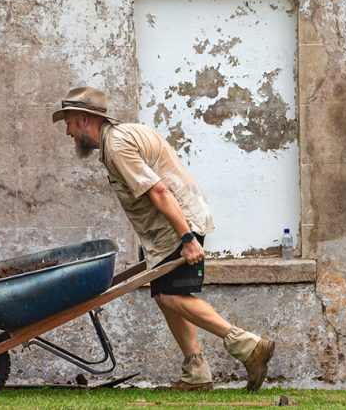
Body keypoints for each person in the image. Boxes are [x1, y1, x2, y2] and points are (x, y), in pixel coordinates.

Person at [52, 86, 275, 391]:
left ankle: (249, 345)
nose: (67, 132)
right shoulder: (123, 135)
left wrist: (187, 238)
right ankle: (196, 372)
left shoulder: (117, 147)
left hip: (176, 226)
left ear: (83, 119)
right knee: (165, 297)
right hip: (167, 228)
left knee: (170, 296)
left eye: (68, 123)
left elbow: (160, 191)